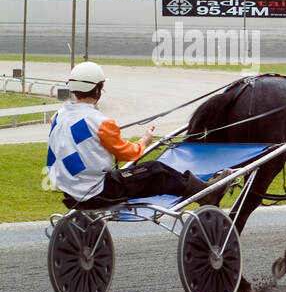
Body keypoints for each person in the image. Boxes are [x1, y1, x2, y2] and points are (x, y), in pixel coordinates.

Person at [47, 61, 210, 207]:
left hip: (70, 192)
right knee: (157, 170)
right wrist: (144, 141)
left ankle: (202, 189)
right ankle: (207, 193)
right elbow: (128, 153)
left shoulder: (57, 116)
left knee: (146, 171)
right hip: (99, 191)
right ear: (99, 88)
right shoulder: (101, 122)